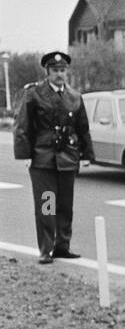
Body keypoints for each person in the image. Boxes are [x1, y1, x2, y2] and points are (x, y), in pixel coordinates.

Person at [12, 51, 94, 264]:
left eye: (63, 70)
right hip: (43, 159)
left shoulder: (75, 97)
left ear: (67, 71)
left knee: (65, 206)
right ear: (47, 72)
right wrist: (26, 155)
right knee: (47, 206)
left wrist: (86, 154)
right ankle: (46, 249)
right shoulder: (34, 94)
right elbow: (23, 126)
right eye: (55, 70)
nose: (59, 74)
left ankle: (62, 246)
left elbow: (83, 128)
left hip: (67, 157)